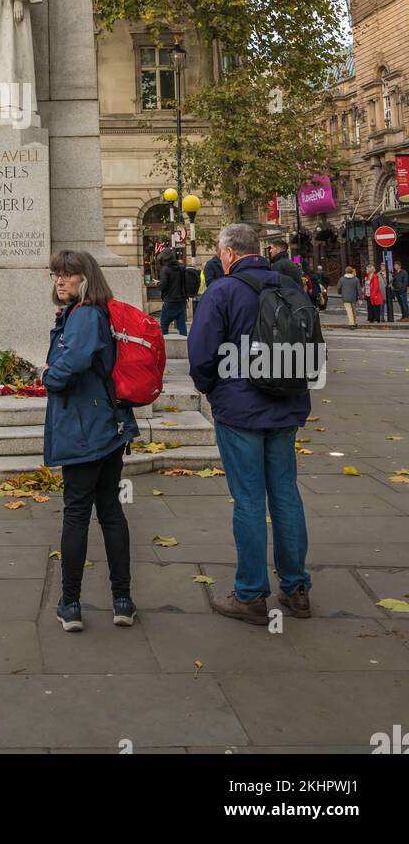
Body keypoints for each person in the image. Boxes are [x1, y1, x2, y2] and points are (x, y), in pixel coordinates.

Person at [187, 223, 312, 624]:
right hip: (286, 405)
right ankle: (295, 588)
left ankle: (251, 594)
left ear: (227, 254)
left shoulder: (221, 292)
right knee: (286, 496)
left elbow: (202, 355)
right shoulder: (289, 285)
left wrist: (212, 391)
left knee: (249, 500)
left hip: (240, 411)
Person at [42, 250, 139, 633]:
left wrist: (48, 376)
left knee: (78, 513)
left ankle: (70, 603)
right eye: (55, 275)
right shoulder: (90, 313)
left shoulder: (85, 315)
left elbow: (75, 361)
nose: (60, 281)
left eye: (68, 274)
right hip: (106, 426)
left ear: (86, 278)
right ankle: (122, 600)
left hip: (85, 430)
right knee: (110, 510)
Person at [158, 248, 188, 336]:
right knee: (181, 324)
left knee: (164, 324)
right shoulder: (181, 268)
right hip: (181, 301)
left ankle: (164, 345)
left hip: (170, 301)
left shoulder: (165, 269)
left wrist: (158, 284)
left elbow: (163, 285)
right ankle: (184, 344)